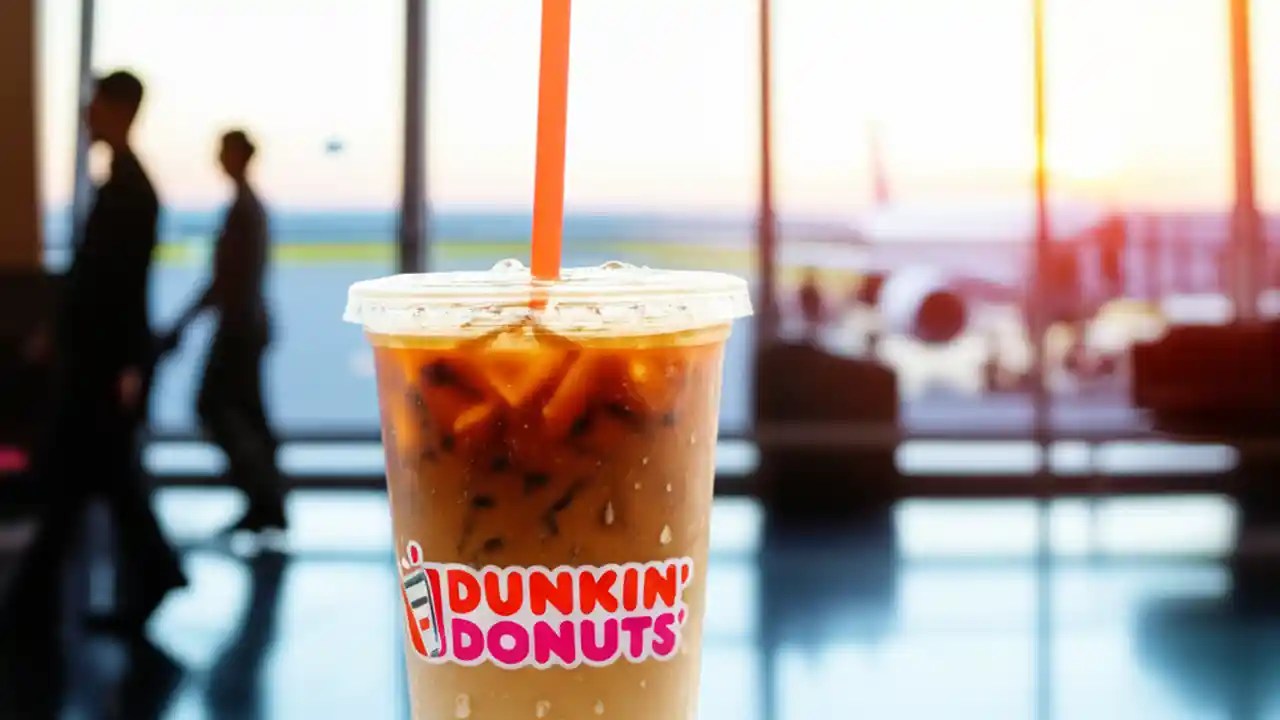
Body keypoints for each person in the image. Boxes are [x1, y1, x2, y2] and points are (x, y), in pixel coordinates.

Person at [1, 71, 186, 640]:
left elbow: (115, 287)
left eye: (94, 105)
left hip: (99, 364)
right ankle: (43, 602)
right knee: (91, 479)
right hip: (99, 360)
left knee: (82, 478)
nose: (86, 116)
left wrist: (116, 360)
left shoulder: (127, 190)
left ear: (118, 109)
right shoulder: (127, 186)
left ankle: (33, 608)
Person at [168, 130, 286, 533]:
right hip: (246, 325)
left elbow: (226, 279)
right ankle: (267, 502)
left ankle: (261, 497)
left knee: (213, 406)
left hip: (238, 328)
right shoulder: (250, 208)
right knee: (250, 414)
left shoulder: (243, 212)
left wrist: (183, 323)